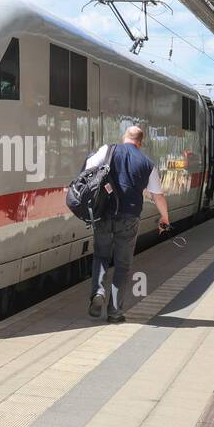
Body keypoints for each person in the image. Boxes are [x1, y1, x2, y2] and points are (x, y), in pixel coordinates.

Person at [84, 126, 170, 324]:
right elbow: (158, 195)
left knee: (101, 256)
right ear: (141, 141)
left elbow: (87, 170)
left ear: (125, 137)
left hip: (103, 214)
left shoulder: (108, 150)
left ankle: (98, 292)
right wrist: (165, 218)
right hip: (129, 218)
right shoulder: (147, 163)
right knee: (122, 265)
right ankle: (114, 312)